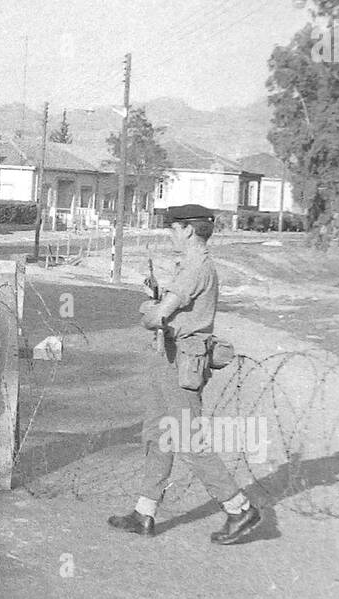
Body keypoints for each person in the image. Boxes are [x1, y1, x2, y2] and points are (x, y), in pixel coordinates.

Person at [108, 204, 262, 545]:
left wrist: (150, 308)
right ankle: (144, 512)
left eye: (174, 229)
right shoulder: (193, 266)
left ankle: (239, 509)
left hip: (183, 363)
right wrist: (159, 298)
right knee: (157, 434)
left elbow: (155, 318)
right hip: (170, 357)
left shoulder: (196, 267)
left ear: (189, 231)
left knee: (189, 441)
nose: (171, 235)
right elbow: (178, 309)